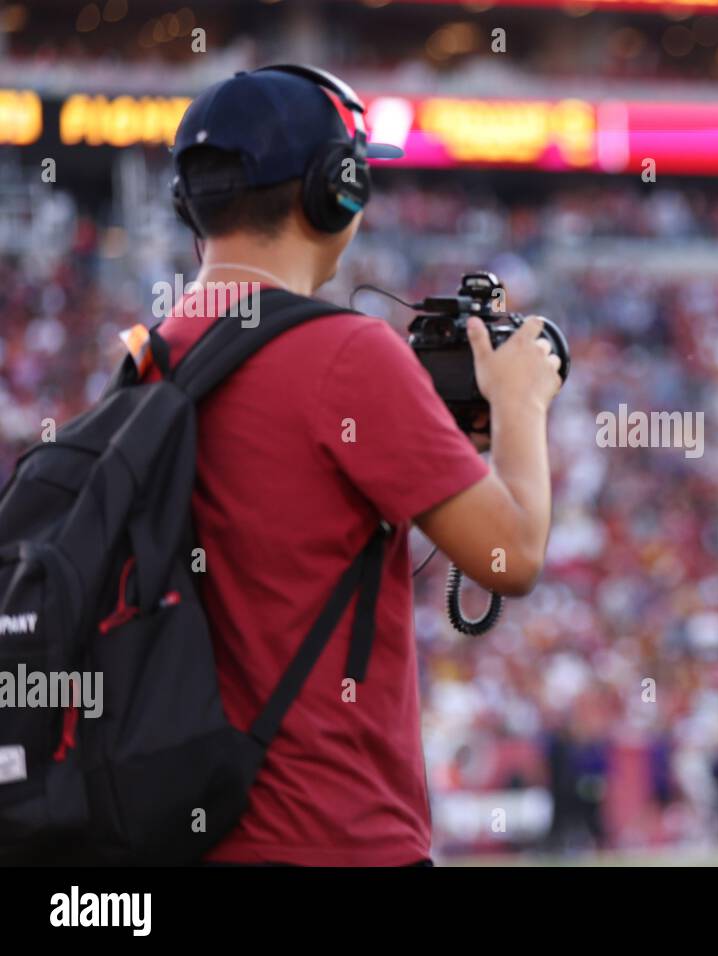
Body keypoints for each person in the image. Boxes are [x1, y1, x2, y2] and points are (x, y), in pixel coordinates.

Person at [156, 66, 561, 865]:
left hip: (185, 831)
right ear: (335, 191)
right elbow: (511, 557)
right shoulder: (343, 352)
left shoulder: (149, 355)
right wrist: (520, 402)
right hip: (333, 832)